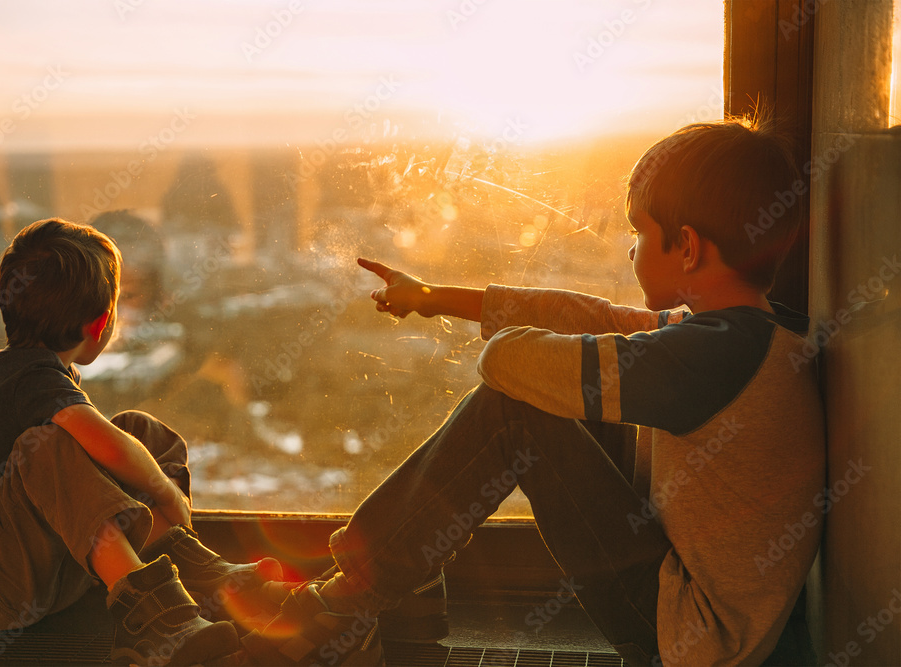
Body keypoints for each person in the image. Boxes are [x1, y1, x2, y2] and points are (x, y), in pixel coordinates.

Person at [238, 117, 826, 667]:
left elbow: (507, 363)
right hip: (710, 606)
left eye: (639, 233)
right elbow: (588, 316)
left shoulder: (706, 358)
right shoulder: (750, 333)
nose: (630, 250)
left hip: (691, 636)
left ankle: (351, 596)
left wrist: (515, 350)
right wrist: (435, 297)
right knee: (556, 397)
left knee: (516, 410)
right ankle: (389, 582)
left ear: (689, 247)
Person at [0, 218, 285, 666]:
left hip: (20, 574)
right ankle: (157, 619)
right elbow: (104, 447)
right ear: (102, 321)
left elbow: (114, 448)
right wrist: (163, 491)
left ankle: (197, 573)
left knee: (140, 431)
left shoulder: (29, 370)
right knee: (50, 448)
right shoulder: (28, 377)